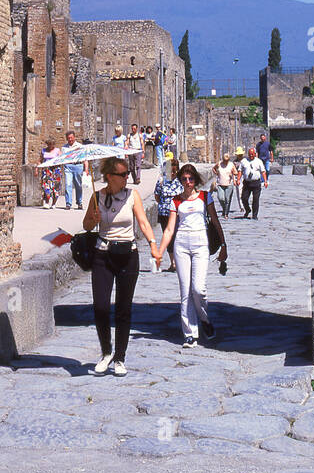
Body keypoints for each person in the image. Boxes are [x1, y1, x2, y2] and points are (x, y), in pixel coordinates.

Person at [82, 155, 157, 376]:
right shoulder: (96, 197)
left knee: (124, 309)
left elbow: (142, 221)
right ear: (109, 177)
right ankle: (106, 352)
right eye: (123, 175)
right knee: (101, 307)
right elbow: (86, 225)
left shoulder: (132, 196)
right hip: (102, 256)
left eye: (127, 174)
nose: (127, 177)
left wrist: (153, 244)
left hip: (128, 255)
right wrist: (93, 219)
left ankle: (120, 358)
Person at [154, 163, 227, 347]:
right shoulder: (176, 201)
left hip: (201, 243)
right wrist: (159, 252)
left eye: (191, 179)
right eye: (184, 179)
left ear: (196, 180)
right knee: (185, 291)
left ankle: (204, 319)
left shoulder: (205, 196)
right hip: (181, 245)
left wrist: (224, 245)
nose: (188, 182)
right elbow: (170, 229)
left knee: (198, 289)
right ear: (180, 180)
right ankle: (190, 334)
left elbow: (216, 222)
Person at [153, 153, 182, 270]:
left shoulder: (181, 181)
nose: (173, 173)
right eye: (171, 171)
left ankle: (180, 261)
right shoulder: (162, 181)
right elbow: (157, 196)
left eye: (175, 171)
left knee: (177, 237)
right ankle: (173, 262)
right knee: (168, 237)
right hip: (165, 213)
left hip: (177, 214)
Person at [61, 128, 87, 210]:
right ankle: (68, 203)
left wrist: (86, 169)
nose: (70, 139)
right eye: (68, 138)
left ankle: (79, 202)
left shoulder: (80, 146)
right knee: (68, 184)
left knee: (78, 185)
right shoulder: (64, 148)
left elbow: (85, 158)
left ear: (74, 137)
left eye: (71, 138)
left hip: (78, 166)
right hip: (68, 166)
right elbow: (61, 158)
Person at [239, 145, 265, 219]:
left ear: (255, 154)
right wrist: (238, 179)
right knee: (244, 198)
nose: (251, 155)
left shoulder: (259, 161)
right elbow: (240, 171)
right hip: (247, 183)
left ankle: (254, 215)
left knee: (255, 199)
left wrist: (265, 181)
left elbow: (263, 171)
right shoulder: (244, 161)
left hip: (256, 183)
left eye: (252, 154)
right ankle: (247, 210)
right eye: (250, 154)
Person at [40, 139, 61, 209]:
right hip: (46, 171)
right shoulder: (43, 151)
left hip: (55, 171)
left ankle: (54, 203)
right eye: (49, 144)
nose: (50, 146)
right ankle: (47, 202)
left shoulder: (57, 151)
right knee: (46, 187)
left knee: (55, 188)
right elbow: (40, 160)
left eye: (51, 144)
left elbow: (61, 159)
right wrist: (38, 168)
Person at [212, 153, 235, 218]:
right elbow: (213, 168)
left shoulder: (231, 165)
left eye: (227, 160)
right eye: (224, 160)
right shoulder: (219, 164)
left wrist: (233, 175)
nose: (226, 162)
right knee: (221, 198)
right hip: (220, 184)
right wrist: (216, 173)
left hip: (229, 184)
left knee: (227, 199)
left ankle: (226, 214)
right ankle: (224, 209)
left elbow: (235, 172)